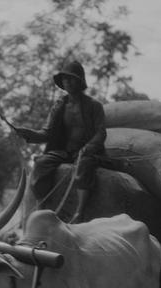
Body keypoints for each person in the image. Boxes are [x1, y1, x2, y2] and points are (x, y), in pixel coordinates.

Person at [14, 60, 106, 223]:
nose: (67, 82)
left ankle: (80, 211)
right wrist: (28, 134)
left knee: (84, 165)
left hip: (87, 152)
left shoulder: (94, 106)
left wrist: (89, 147)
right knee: (42, 163)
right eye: (65, 79)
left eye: (71, 78)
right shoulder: (59, 106)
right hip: (64, 152)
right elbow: (47, 133)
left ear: (80, 81)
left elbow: (101, 133)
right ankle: (41, 206)